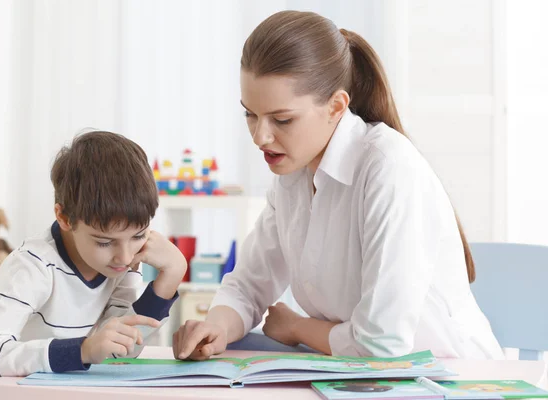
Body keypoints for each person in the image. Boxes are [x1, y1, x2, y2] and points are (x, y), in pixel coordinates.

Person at [173, 10, 503, 361]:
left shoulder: (389, 169)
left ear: (336, 106)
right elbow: (249, 284)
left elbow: (381, 343)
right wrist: (218, 327)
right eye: (250, 114)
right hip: (357, 376)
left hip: (454, 377)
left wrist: (298, 328)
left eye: (282, 119)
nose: (260, 136)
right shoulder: (293, 174)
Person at [0, 131, 187, 399]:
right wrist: (82, 351)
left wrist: (172, 275)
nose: (126, 256)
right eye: (104, 242)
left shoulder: (120, 261)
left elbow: (120, 350)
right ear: (64, 217)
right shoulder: (31, 266)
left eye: (139, 235)